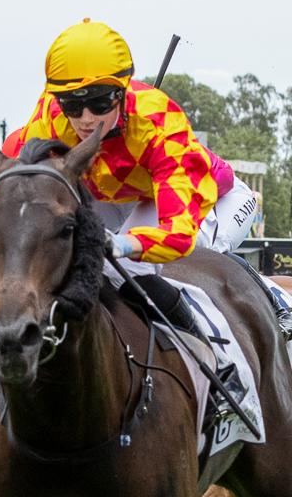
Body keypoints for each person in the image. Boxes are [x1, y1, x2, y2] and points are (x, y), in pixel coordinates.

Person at [16, 19, 287, 339]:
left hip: (212, 196)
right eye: (73, 104)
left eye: (100, 102)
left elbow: (177, 234)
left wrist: (124, 243)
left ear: (121, 93)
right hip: (123, 194)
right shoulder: (49, 116)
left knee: (201, 255)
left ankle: (222, 337)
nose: (86, 119)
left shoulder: (160, 125)